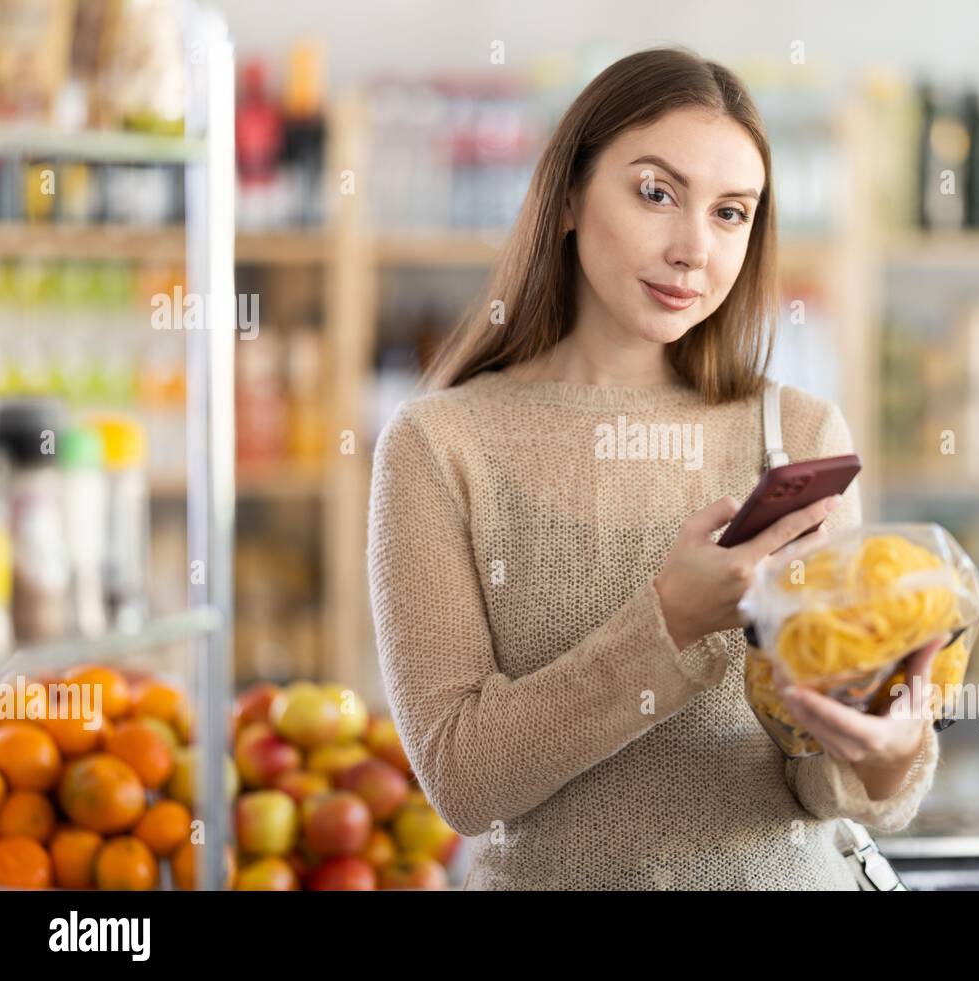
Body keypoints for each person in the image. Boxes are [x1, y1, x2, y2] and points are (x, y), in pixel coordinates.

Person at [367, 46, 941, 890]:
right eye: (656, 193)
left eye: (731, 214)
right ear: (567, 195)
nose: (692, 250)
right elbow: (464, 782)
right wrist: (666, 624)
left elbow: (824, 785)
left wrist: (888, 748)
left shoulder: (798, 435)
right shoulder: (439, 445)